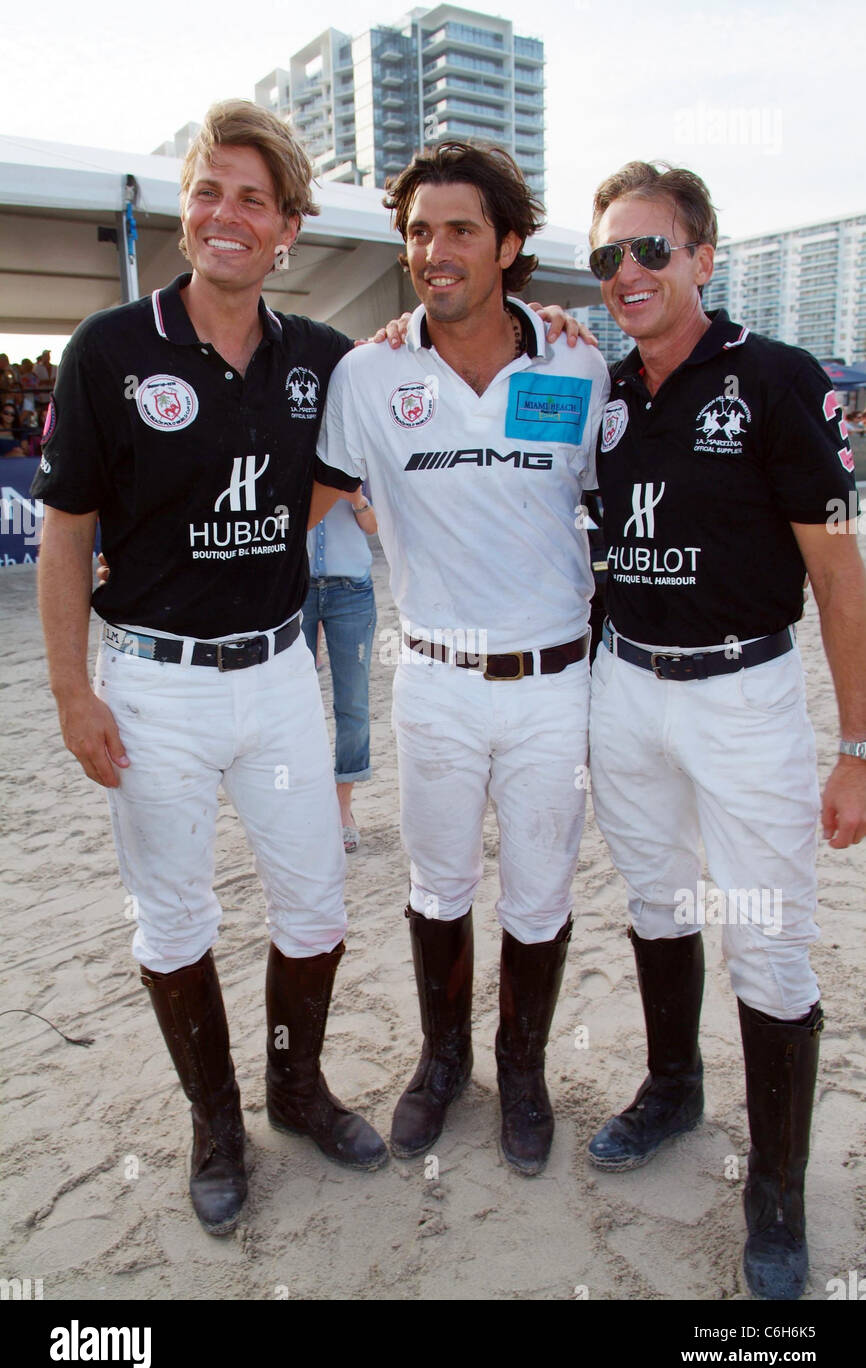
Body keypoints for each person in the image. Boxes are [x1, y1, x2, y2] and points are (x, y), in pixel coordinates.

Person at [32, 99, 391, 1237]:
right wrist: (71, 691)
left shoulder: (322, 358)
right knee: (174, 919)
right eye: (207, 191)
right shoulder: (110, 349)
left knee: (316, 902)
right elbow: (65, 531)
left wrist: (554, 335)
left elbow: (416, 381)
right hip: (156, 686)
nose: (225, 214)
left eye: (252, 197)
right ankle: (216, 1123)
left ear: (287, 226)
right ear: (186, 213)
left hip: (280, 676)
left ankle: (294, 1086)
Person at [584, 161, 866, 1299]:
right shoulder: (598, 389)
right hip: (623, 689)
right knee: (652, 899)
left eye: (650, 249)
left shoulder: (777, 379)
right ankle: (670, 1086)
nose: (627, 273)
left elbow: (837, 576)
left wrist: (856, 747)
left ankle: (776, 1192)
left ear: (702, 255)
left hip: (744, 695)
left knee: (765, 937)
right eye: (608, 256)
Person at [314, 141, 609, 1176]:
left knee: (538, 893)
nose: (433, 250)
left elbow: (617, 504)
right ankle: (442, 1065)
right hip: (434, 680)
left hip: (552, 684)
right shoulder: (369, 369)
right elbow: (307, 502)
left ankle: (518, 1070)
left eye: (459, 230)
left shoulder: (578, 359)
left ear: (509, 244)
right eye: (418, 233)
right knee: (437, 888)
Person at [302, 485, 378, 851]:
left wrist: (356, 499)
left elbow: (373, 526)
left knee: (353, 704)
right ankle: (302, 802)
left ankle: (342, 804)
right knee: (294, 706)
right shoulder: (290, 446)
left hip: (351, 591)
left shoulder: (357, 456)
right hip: (293, 590)